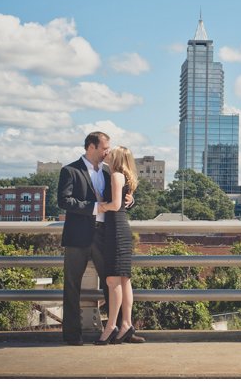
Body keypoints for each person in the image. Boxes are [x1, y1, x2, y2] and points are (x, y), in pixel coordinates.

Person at [58, 132, 141, 345]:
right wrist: (95, 207)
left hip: (106, 235)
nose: (107, 152)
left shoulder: (108, 172)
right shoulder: (70, 170)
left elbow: (119, 199)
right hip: (78, 236)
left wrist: (130, 201)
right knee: (72, 286)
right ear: (91, 147)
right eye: (105, 148)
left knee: (112, 281)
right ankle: (72, 336)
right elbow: (64, 201)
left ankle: (122, 330)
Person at [94, 146, 141, 344]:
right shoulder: (124, 176)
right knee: (123, 280)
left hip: (115, 230)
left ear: (117, 158)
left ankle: (112, 326)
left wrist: (96, 207)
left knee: (113, 281)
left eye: (110, 152)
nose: (107, 154)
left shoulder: (115, 176)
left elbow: (114, 205)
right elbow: (122, 202)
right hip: (121, 229)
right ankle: (126, 324)